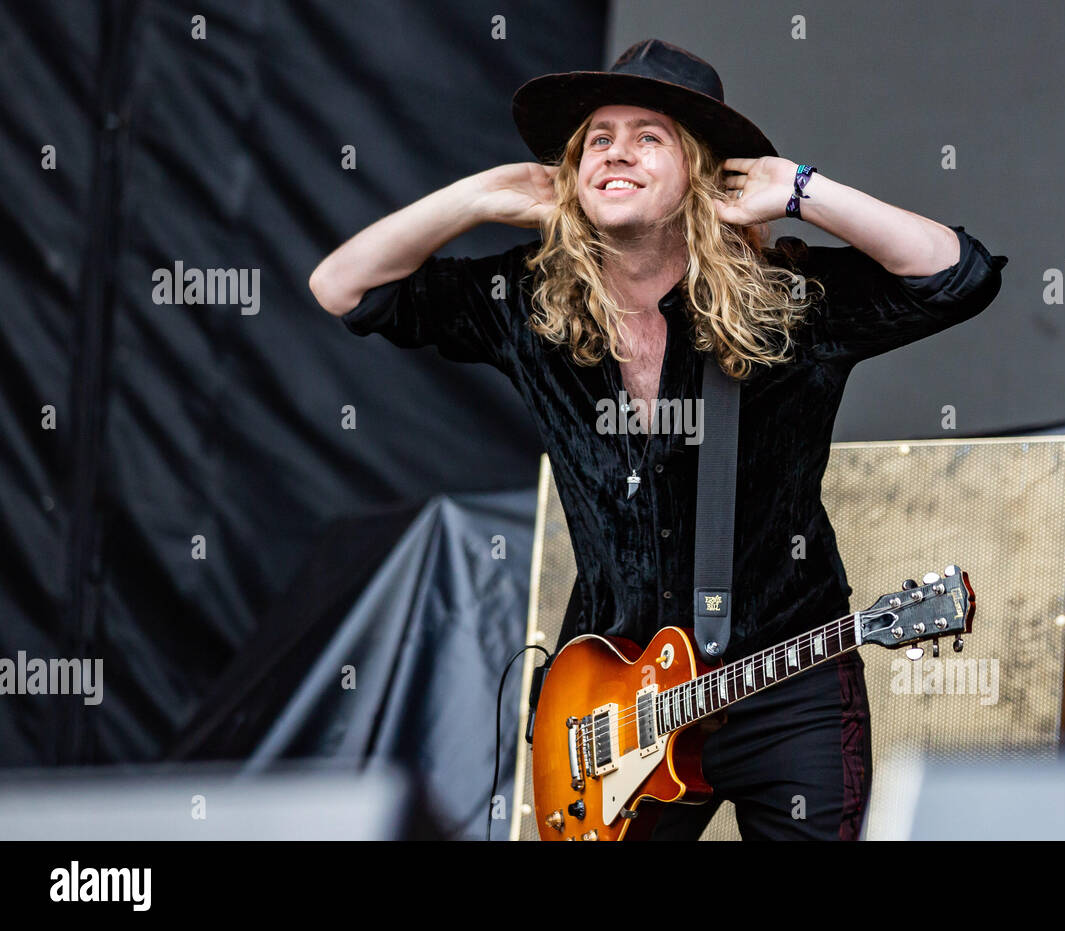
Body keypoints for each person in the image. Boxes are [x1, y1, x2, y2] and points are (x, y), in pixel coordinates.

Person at [309, 38, 1007, 840]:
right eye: (597, 139)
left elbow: (960, 277)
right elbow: (342, 286)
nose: (617, 152)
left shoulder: (790, 301)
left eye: (649, 136)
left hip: (786, 683)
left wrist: (803, 191)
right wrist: (481, 193)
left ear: (703, 173)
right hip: (610, 706)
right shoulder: (528, 301)